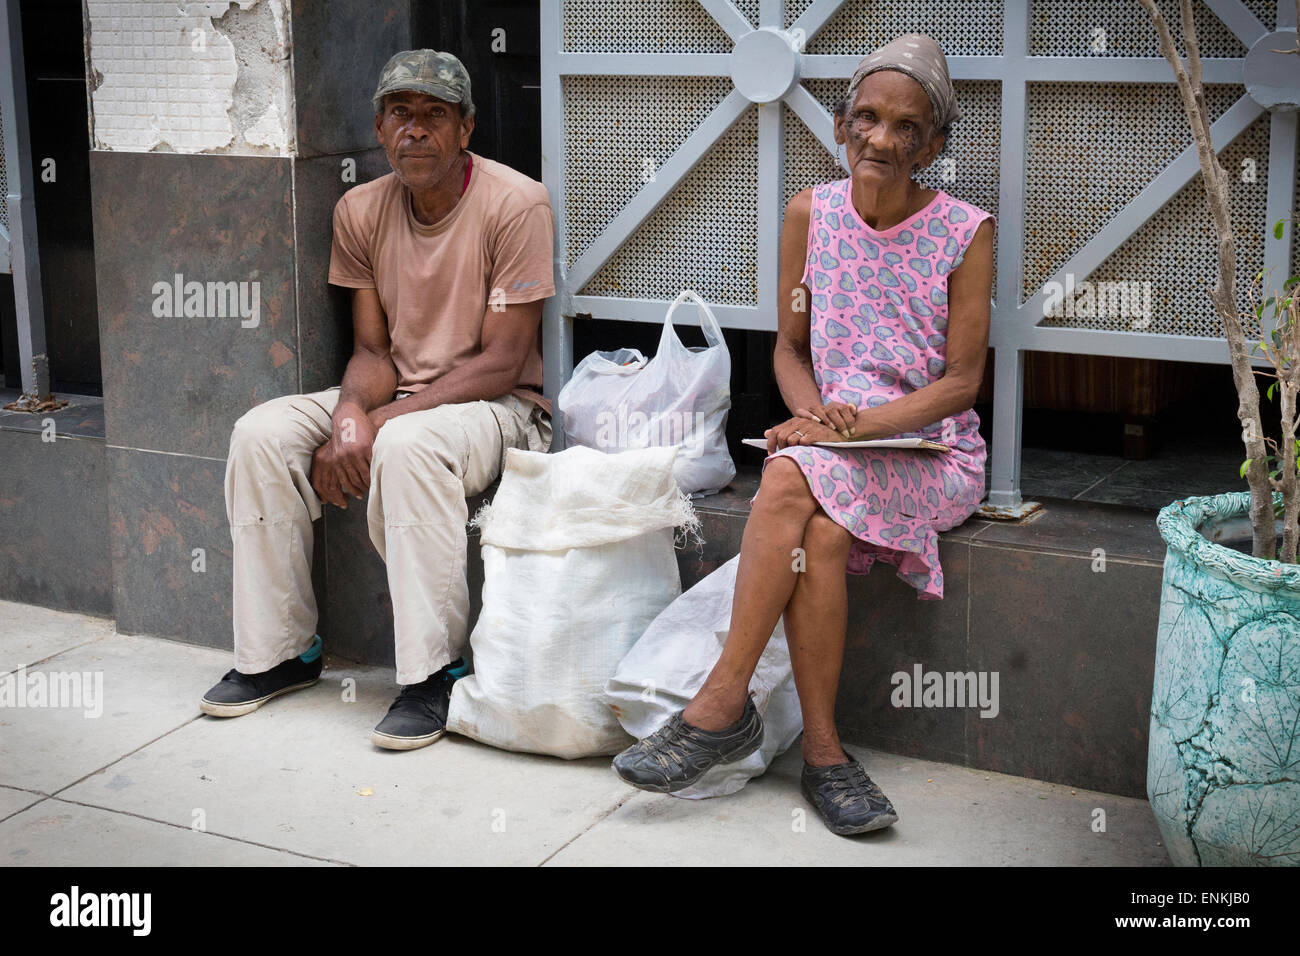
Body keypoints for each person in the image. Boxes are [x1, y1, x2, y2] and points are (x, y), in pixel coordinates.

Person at [612, 34, 994, 836]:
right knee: (816, 537)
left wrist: (842, 431)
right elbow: (789, 347)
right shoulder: (808, 214)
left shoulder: (966, 231)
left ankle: (721, 704)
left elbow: (960, 384)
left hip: (929, 451)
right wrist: (820, 422)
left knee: (789, 478)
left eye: (907, 127)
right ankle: (824, 754)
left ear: (934, 145)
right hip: (836, 445)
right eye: (869, 118)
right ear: (841, 126)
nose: (884, 140)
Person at [199, 50, 556, 751]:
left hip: (503, 409)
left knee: (405, 443)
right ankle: (280, 654)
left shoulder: (517, 203)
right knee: (260, 434)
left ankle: (435, 675)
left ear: (466, 129)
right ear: (379, 126)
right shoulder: (360, 208)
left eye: (434, 116)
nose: (415, 131)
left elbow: (501, 362)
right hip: (404, 397)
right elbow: (371, 353)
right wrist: (347, 418)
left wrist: (371, 427)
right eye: (401, 115)